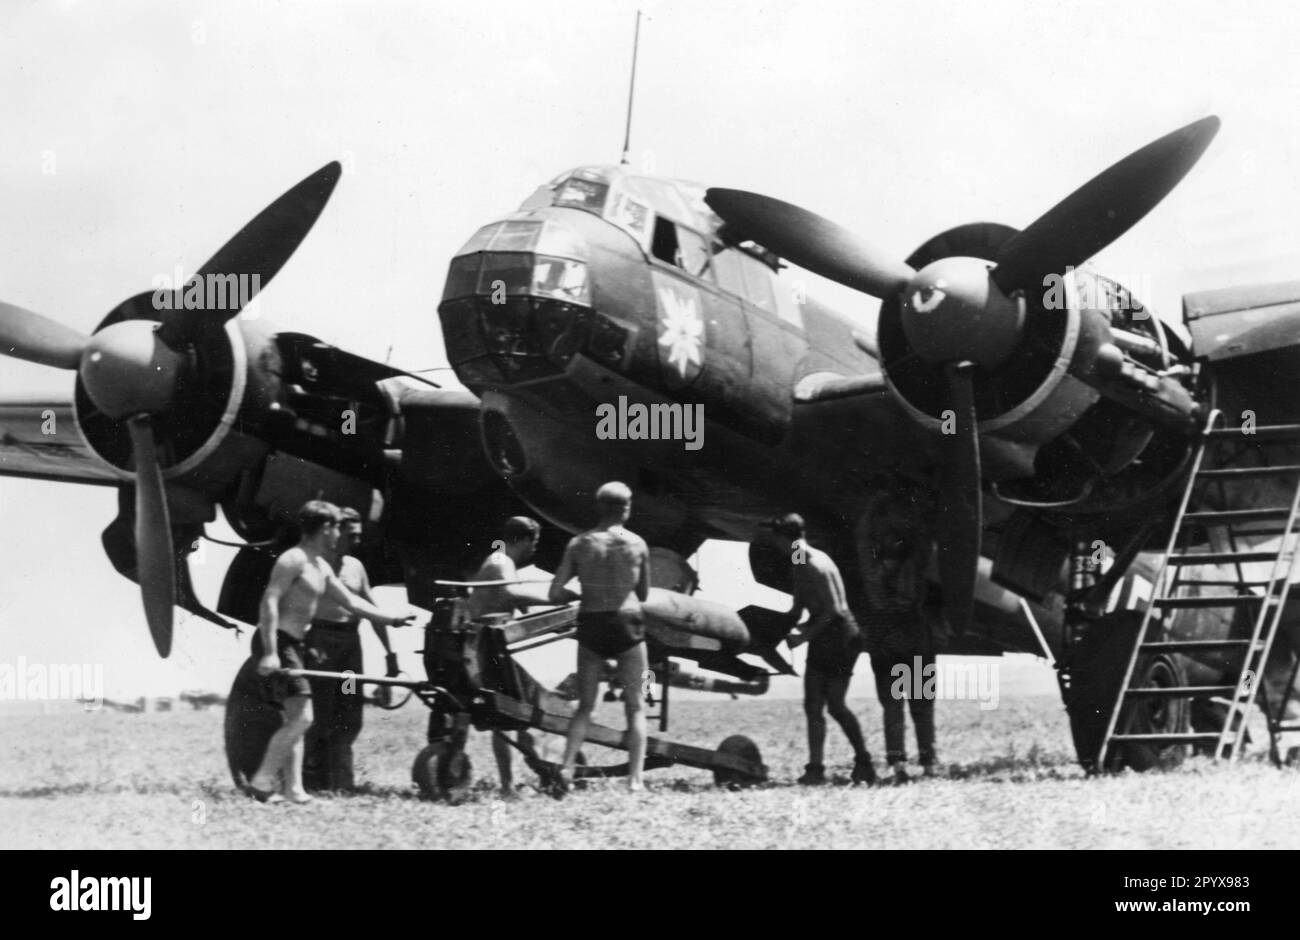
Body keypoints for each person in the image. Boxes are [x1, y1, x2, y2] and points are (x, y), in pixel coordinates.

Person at [246, 500, 413, 804]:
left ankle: (294, 790)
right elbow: (268, 602)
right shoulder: (293, 559)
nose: (341, 535)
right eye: (337, 528)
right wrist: (270, 652)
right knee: (304, 718)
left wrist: (391, 619)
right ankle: (262, 780)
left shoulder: (321, 566)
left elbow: (352, 602)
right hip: (279, 642)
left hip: (295, 644)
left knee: (296, 717)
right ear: (325, 529)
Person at [548, 482, 651, 794]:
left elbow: (555, 592)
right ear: (627, 508)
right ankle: (635, 781)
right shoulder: (638, 544)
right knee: (635, 706)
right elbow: (643, 593)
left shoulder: (579, 544)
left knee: (585, 706)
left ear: (598, 507)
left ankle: (566, 768)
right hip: (627, 623)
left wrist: (576, 592)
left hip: (591, 621)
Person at [765, 512, 877, 786]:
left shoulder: (814, 562)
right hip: (824, 634)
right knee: (813, 705)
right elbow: (801, 604)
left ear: (783, 537)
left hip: (841, 636)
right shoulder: (798, 559)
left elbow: (834, 610)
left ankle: (864, 762)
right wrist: (783, 625)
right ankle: (815, 769)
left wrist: (802, 638)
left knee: (836, 705)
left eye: (775, 537)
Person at [303, 507, 399, 793]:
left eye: (359, 535)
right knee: (319, 714)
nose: (356, 541)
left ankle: (342, 784)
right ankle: (308, 778)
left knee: (347, 711)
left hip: (348, 652)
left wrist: (390, 655)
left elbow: (370, 609)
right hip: (320, 646)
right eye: (351, 535)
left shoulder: (356, 567)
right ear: (335, 532)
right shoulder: (313, 565)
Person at [466, 516, 551, 796]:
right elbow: (511, 594)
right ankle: (509, 786)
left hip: (493, 642)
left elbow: (509, 598)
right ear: (524, 539)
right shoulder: (502, 563)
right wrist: (558, 598)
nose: (534, 549)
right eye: (534, 543)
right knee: (508, 717)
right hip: (491, 645)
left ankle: (539, 773)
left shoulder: (502, 563)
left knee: (519, 717)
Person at [862, 511, 939, 784]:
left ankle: (897, 766)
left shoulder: (873, 572)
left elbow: (862, 542)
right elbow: (925, 546)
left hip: (886, 645)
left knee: (893, 708)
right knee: (922, 708)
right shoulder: (914, 570)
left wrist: (873, 509)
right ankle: (928, 764)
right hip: (916, 642)